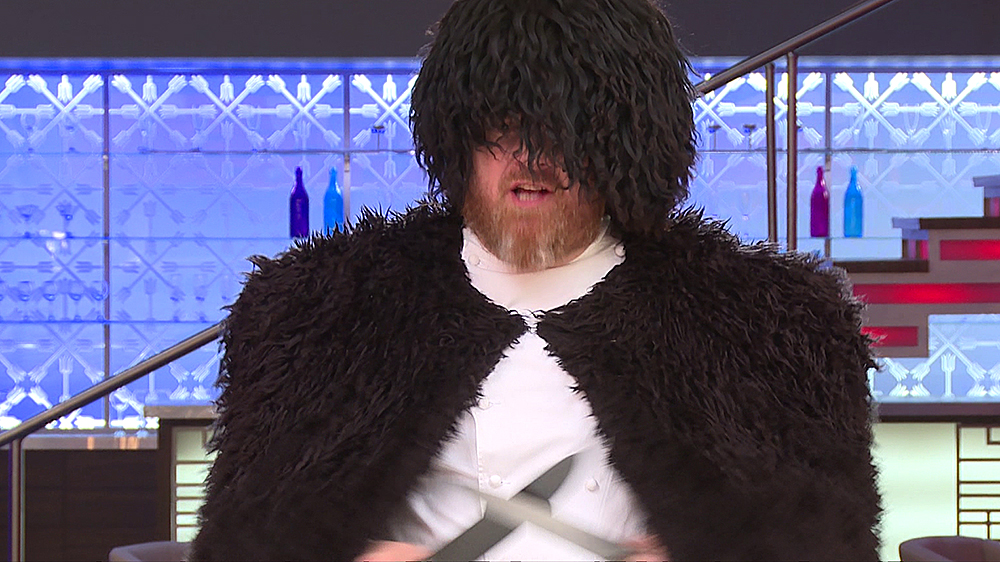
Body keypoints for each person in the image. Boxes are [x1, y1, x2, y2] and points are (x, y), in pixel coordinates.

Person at [189, 0, 882, 560]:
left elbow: (831, 544)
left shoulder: (769, 323)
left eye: (568, 131)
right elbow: (240, 545)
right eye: (502, 125)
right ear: (458, 136)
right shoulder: (315, 312)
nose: (532, 156)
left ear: (625, 146)